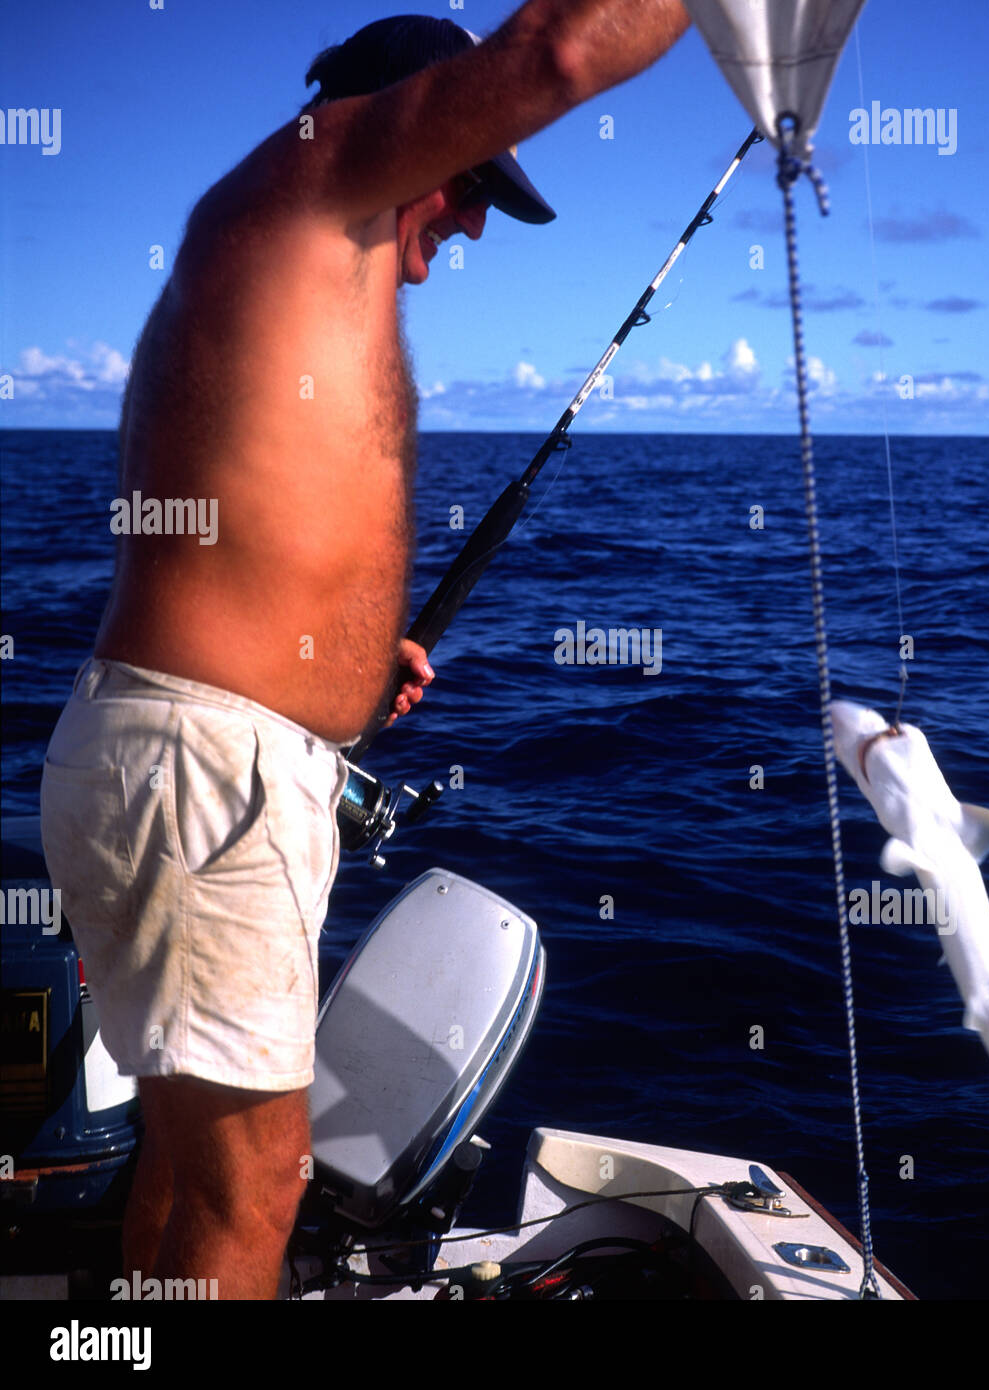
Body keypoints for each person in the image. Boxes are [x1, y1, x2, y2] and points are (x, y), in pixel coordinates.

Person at [39, 3, 690, 1299]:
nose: (465, 228)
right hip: (212, 778)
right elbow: (564, 48)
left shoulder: (270, 243)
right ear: (394, 120)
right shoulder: (319, 175)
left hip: (174, 752)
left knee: (185, 1166)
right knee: (261, 1182)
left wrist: (340, 659)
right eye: (468, 184)